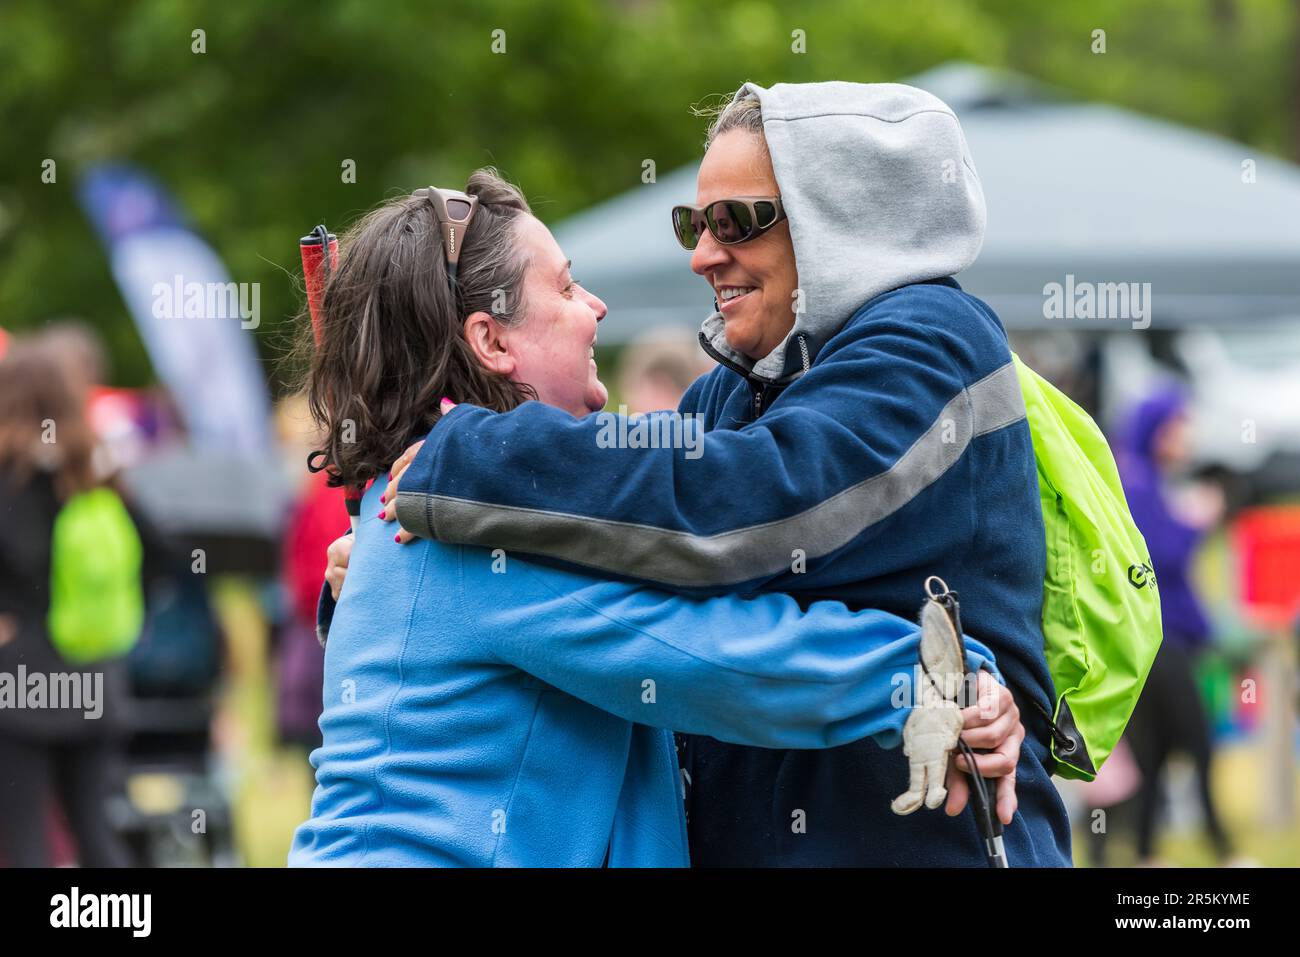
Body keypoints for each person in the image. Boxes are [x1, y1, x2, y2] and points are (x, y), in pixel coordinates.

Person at [376, 82, 1073, 866]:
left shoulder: (930, 342)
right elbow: (626, 539)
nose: (703, 253)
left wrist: (476, 460)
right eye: (693, 222)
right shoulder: (738, 384)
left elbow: (748, 513)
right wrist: (395, 574)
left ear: (836, 214)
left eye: (736, 220)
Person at [0, 339, 134, 867]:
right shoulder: (98, 476)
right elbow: (162, 557)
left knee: (26, 838)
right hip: (97, 677)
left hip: (20, 680)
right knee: (97, 835)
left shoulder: (9, 481)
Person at [1115, 385, 1239, 866]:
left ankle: (1147, 854)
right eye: (1176, 428)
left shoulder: (1156, 480)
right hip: (1161, 645)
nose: (1185, 438)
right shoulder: (1139, 482)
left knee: (1160, 750)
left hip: (1172, 642)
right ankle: (1223, 851)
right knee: (1195, 744)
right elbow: (1159, 556)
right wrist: (1196, 521)